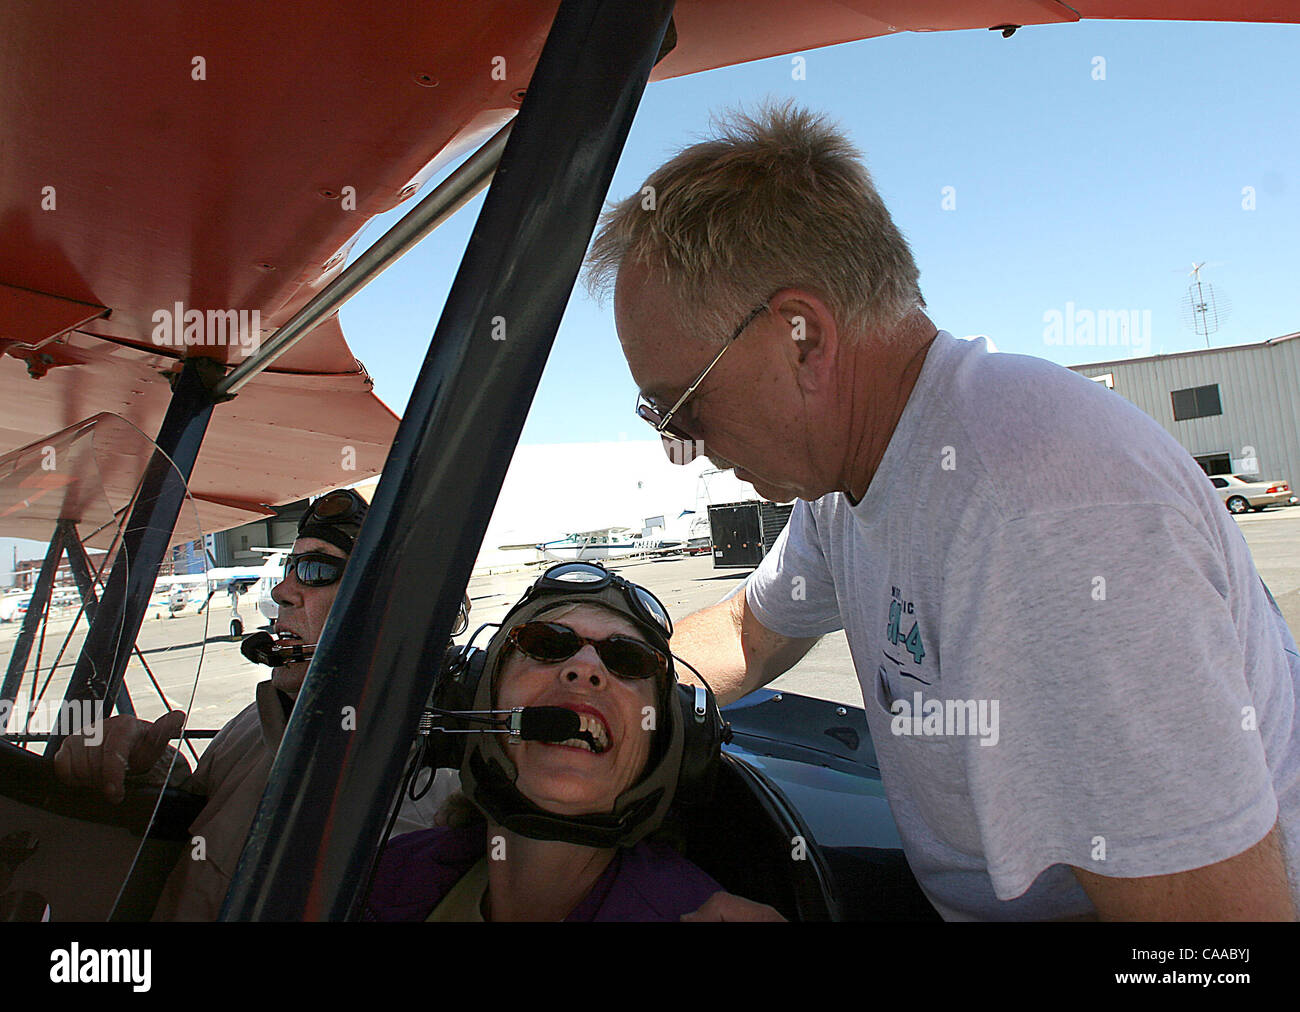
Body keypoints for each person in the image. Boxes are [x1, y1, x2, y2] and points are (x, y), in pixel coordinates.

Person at [584, 102, 1300, 921]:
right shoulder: (850, 478)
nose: (685, 444)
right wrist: (604, 693)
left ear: (800, 336)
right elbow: (749, 630)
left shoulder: (1043, 519)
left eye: (680, 407)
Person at [54, 487, 460, 920]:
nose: (281, 592)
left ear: (397, 606)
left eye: (316, 569)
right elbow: (193, 823)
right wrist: (143, 768)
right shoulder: (254, 722)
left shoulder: (445, 784)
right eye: (289, 568)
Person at [364, 562, 726, 921]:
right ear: (478, 697)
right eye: (546, 643)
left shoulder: (698, 913)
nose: (585, 668)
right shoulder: (374, 879)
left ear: (668, 743)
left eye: (629, 660)